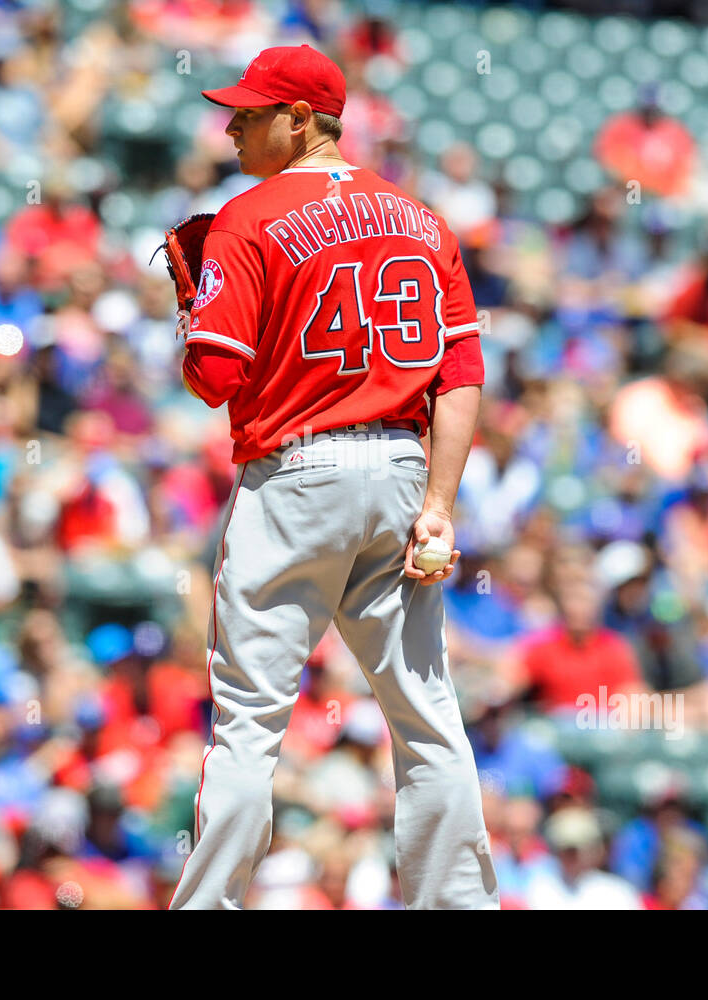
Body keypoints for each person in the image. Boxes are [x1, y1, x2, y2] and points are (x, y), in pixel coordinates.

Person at [168, 44, 497, 909]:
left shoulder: (246, 216)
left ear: (302, 120)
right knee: (427, 721)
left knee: (248, 725)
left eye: (249, 112)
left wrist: (190, 303)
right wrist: (439, 506)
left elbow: (213, 378)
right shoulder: (423, 218)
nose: (231, 125)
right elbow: (460, 372)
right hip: (399, 468)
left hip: (296, 475)